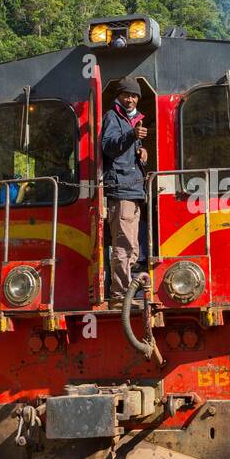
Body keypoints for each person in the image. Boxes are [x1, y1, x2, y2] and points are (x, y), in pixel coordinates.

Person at [101, 79, 148, 301]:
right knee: (123, 246)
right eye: (126, 95)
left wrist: (141, 154)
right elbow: (109, 147)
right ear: (119, 97)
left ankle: (128, 291)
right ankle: (120, 295)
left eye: (134, 96)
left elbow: (125, 152)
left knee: (133, 247)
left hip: (133, 189)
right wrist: (132, 136)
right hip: (121, 189)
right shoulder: (113, 117)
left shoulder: (129, 121)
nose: (130, 99)